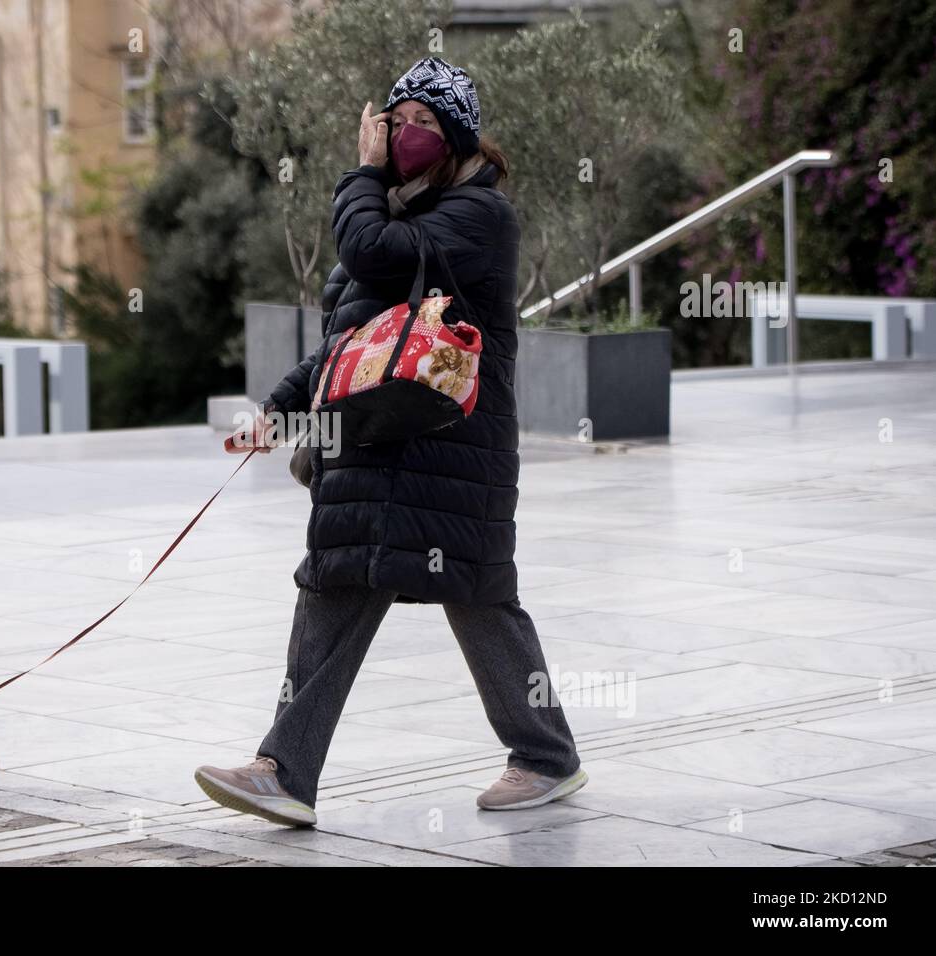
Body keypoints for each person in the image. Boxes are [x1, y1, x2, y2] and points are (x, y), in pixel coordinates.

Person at [196, 57, 585, 827]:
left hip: (450, 446)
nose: (407, 136)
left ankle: (546, 757)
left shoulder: (477, 217)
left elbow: (369, 251)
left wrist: (361, 172)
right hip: (374, 441)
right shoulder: (398, 212)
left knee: (478, 595)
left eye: (425, 126)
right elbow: (350, 339)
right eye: (398, 120)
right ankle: (284, 769)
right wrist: (278, 409)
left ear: (456, 139)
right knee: (334, 583)